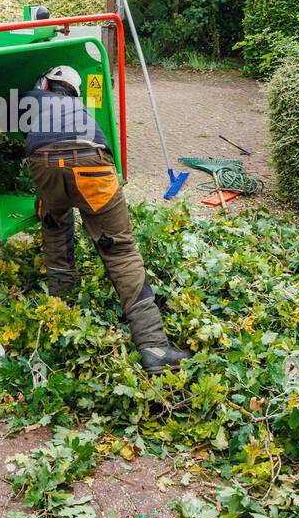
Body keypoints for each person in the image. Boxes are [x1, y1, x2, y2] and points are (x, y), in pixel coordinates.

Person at [19, 65, 191, 373]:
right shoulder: (81, 109)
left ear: (45, 83)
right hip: (90, 165)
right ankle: (153, 347)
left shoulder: (29, 102)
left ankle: (63, 318)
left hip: (42, 163)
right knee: (119, 249)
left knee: (55, 228)